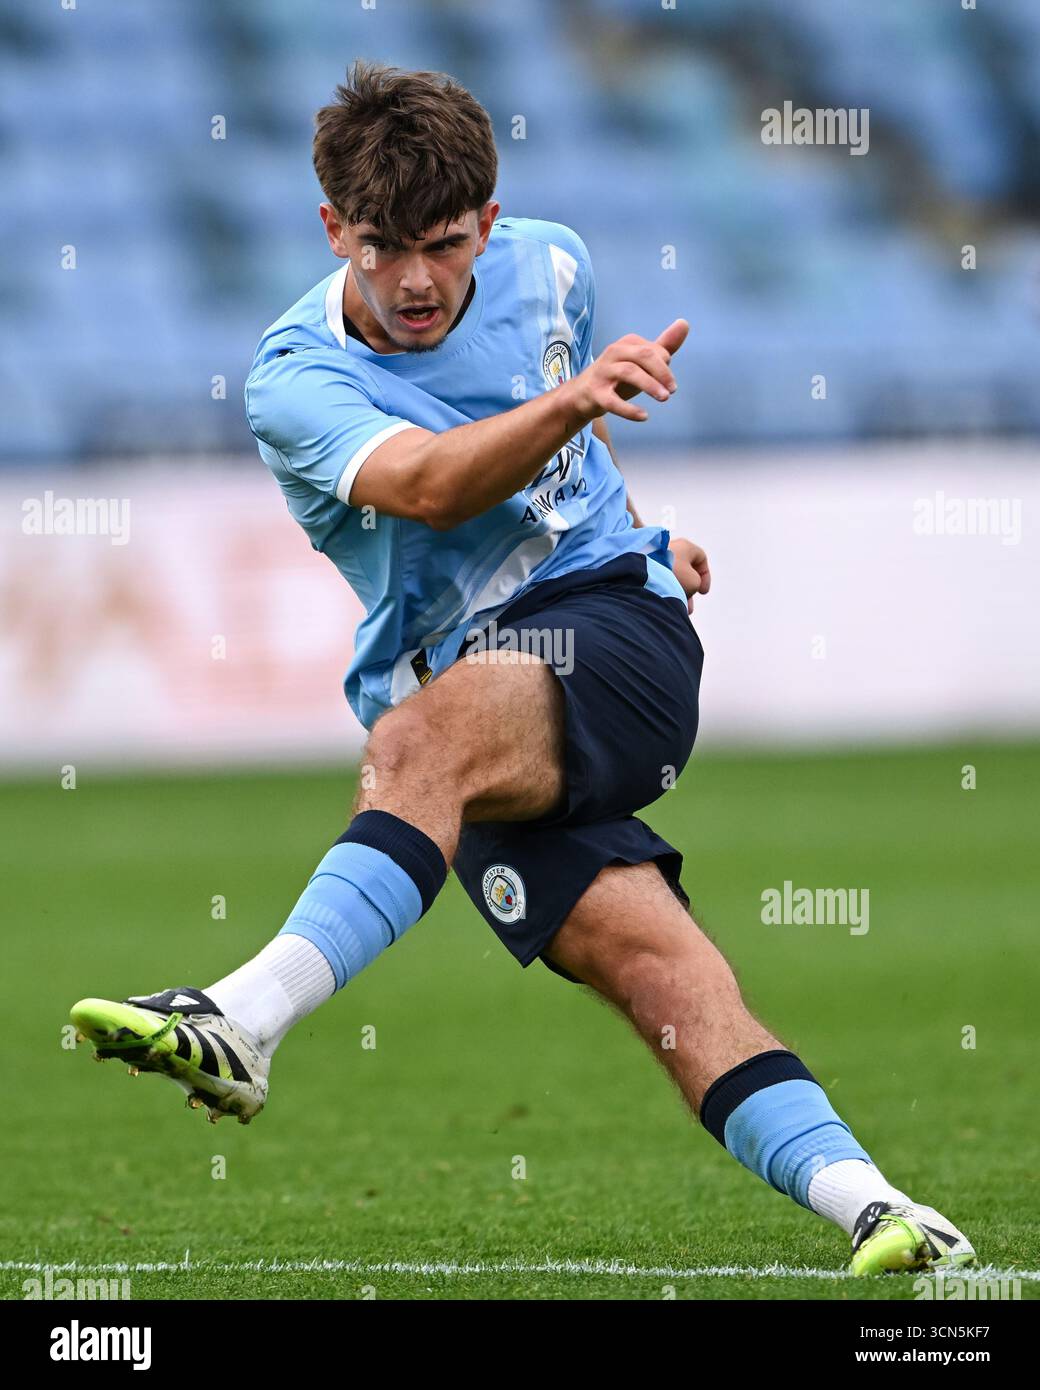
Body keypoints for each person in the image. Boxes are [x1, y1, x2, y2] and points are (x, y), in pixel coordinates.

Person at [71, 62, 974, 1277]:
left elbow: (573, 447)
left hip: (610, 635)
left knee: (409, 747)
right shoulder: (295, 379)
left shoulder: (551, 260)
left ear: (488, 225)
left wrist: (643, 535)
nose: (414, 280)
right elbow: (436, 482)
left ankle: (242, 1019)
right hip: (475, 696)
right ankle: (879, 1207)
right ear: (332, 227)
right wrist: (575, 404)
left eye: (443, 245)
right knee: (661, 975)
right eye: (382, 244)